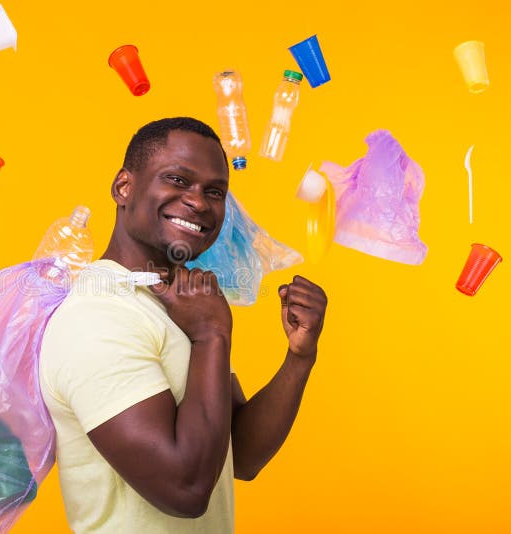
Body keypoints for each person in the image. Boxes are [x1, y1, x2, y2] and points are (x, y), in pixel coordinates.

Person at [39, 117, 328, 533]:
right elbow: (185, 489)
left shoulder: (178, 302)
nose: (199, 202)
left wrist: (299, 357)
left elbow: (239, 455)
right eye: (177, 179)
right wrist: (212, 335)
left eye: (215, 192)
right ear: (124, 187)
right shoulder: (98, 316)